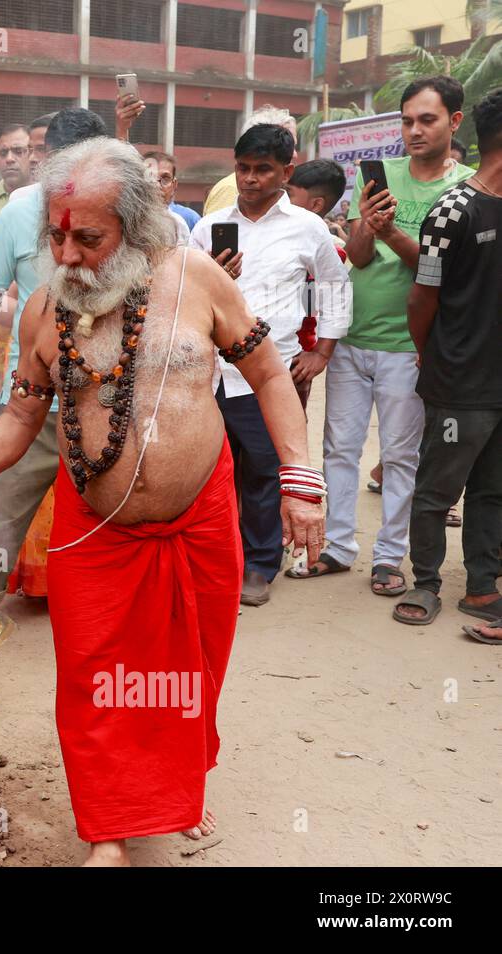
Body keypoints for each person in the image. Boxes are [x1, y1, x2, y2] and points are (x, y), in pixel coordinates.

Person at [0, 136, 323, 866]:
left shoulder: (198, 279)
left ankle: (177, 792)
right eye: (57, 235)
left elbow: (271, 376)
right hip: (93, 534)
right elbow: (22, 413)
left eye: (88, 238)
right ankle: (110, 831)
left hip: (199, 522)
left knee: (189, 671)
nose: (69, 253)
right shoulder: (45, 308)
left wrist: (302, 480)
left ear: (136, 229)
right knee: (93, 679)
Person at [295, 76, 473, 595]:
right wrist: (368, 227)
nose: (414, 131)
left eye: (427, 120)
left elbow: (441, 267)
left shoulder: (463, 188)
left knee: (399, 456)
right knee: (339, 450)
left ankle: (389, 557)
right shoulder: (379, 174)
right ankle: (338, 547)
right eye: (407, 120)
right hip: (352, 338)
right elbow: (360, 255)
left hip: (411, 347)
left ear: (454, 122)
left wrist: (392, 230)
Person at [192, 125, 351, 606]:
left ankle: (260, 566)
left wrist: (321, 350)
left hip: (268, 375)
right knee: (207, 473)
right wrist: (217, 279)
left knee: (264, 474)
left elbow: (333, 286)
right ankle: (215, 561)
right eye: (243, 168)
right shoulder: (208, 228)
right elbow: (186, 296)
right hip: (208, 374)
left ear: (287, 171)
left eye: (263, 170)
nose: (251, 179)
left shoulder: (307, 227)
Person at [0, 107, 110, 599]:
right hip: (31, 399)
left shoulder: (124, 212)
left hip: (109, 398)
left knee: (113, 517)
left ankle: (103, 611)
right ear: (43, 159)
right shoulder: (19, 212)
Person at [397, 89, 502, 637]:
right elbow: (422, 298)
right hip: (459, 381)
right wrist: (429, 352)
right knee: (438, 489)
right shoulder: (452, 210)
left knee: (493, 490)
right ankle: (425, 582)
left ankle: (484, 585)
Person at [285, 159, 349, 411]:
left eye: (289, 194)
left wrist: (318, 353)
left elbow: (309, 311)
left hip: (294, 357)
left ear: (316, 205)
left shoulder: (330, 254)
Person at [203, 107, 299, 215]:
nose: (295, 154)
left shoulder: (309, 225)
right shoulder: (230, 189)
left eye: (293, 146)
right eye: (289, 146)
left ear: (287, 173)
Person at [142, 151, 200, 231]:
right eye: (150, 177)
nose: (157, 185)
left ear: (174, 184)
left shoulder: (189, 219)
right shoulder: (126, 220)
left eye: (165, 179)